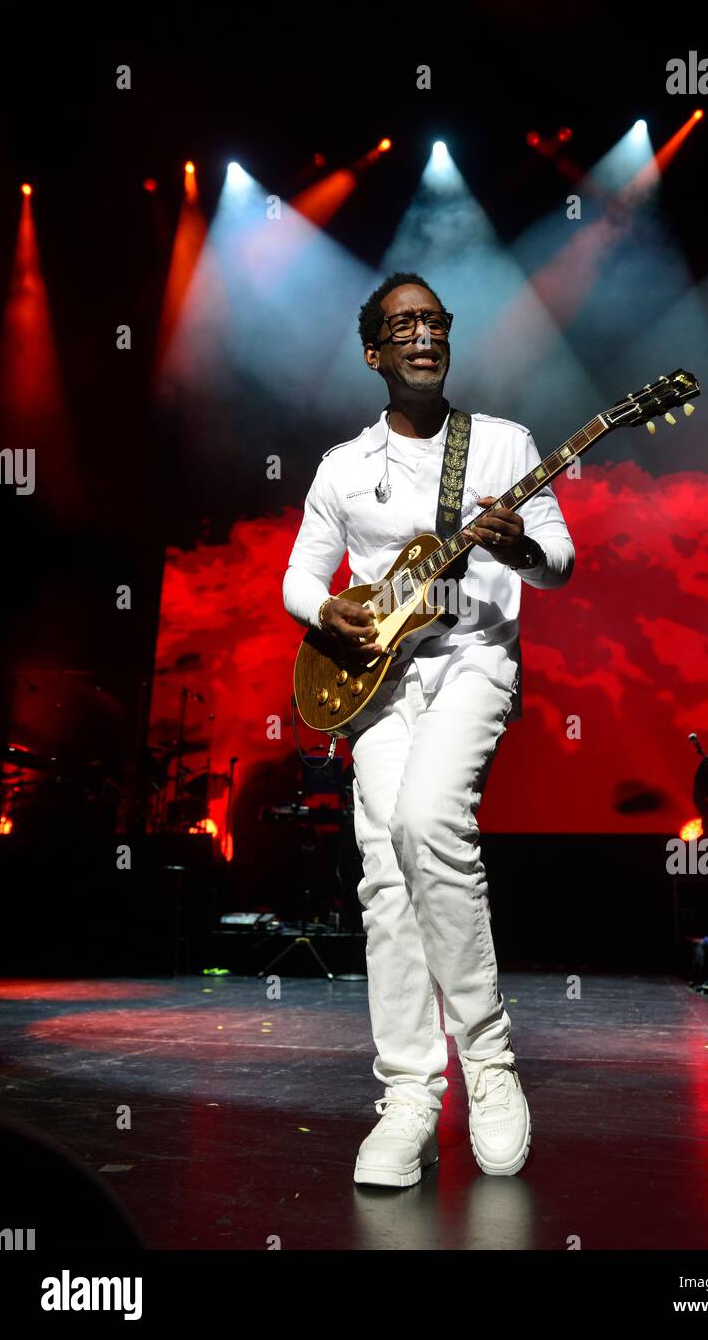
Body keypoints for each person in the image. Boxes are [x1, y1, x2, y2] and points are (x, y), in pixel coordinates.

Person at [283, 272, 574, 1186]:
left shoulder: (502, 445)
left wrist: (517, 547)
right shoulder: (343, 465)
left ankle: (486, 1062)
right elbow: (300, 577)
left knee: (426, 823)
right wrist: (324, 615)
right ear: (374, 351)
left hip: (473, 662)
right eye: (403, 325)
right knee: (384, 878)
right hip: (378, 683)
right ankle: (409, 1093)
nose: (423, 334)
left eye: (434, 321)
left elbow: (559, 564)